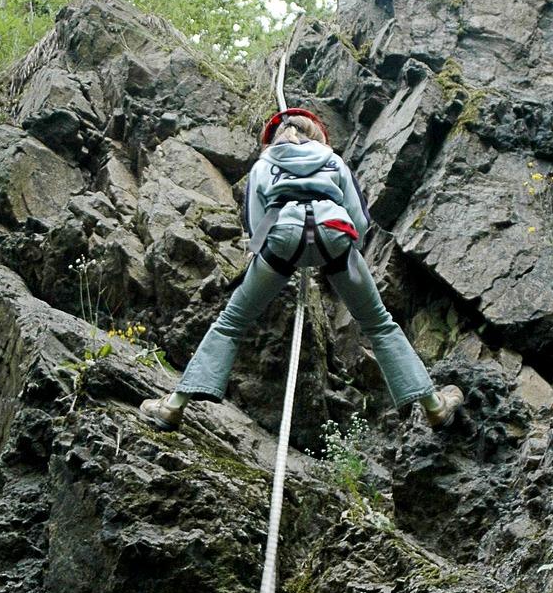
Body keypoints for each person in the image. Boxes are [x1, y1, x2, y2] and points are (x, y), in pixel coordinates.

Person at [139, 108, 463, 430]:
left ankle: (173, 406)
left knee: (231, 323)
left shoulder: (264, 164)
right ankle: (434, 407)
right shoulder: (333, 160)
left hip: (283, 236)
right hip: (335, 234)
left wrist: (269, 250)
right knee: (379, 324)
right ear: (317, 134)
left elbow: (254, 223)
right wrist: (345, 252)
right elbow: (360, 219)